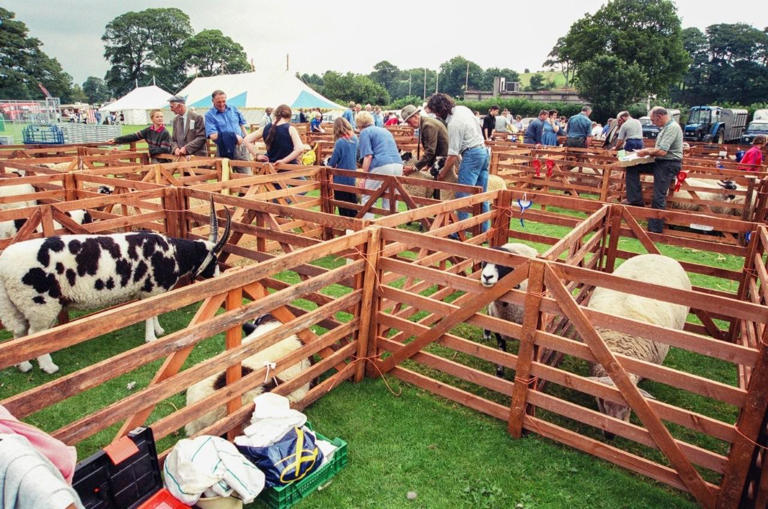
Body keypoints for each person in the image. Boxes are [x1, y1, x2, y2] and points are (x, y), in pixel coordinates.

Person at [426, 93, 489, 230]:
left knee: (462, 194)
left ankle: (458, 231)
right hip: (483, 151)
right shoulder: (463, 108)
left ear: (441, 109)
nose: (436, 115)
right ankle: (484, 230)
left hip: (472, 154)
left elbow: (453, 155)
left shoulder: (454, 124)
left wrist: (442, 173)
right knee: (482, 194)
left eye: (436, 111)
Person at [629, 107, 684, 233]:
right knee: (632, 168)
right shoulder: (666, 127)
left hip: (668, 163)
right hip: (661, 162)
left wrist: (646, 151)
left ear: (659, 116)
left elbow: (662, 151)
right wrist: (647, 152)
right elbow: (659, 149)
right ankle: (636, 200)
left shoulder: (672, 128)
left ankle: (655, 229)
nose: (653, 123)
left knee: (658, 196)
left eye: (654, 120)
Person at [356, 110, 403, 219]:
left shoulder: (365, 132)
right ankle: (389, 228)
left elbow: (368, 156)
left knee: (368, 196)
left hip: (381, 165)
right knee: (390, 197)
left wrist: (364, 177)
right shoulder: (385, 131)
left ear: (359, 123)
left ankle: (366, 228)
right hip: (397, 165)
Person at [400, 104, 448, 176]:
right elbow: (433, 148)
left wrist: (414, 168)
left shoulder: (428, 126)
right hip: (441, 158)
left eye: (409, 122)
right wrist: (428, 165)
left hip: (443, 159)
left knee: (439, 183)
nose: (409, 125)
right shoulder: (425, 123)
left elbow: (430, 151)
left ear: (415, 116)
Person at [327, 117, 359, 217]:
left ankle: (347, 229)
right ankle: (355, 227)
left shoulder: (340, 142)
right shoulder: (355, 139)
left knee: (343, 206)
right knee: (352, 204)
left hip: (340, 178)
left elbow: (333, 162)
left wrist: (327, 162)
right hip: (352, 176)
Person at [204, 90, 248, 161]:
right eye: (218, 102)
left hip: (240, 147)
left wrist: (247, 140)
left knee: (245, 171)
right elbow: (213, 136)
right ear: (213, 101)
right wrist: (234, 136)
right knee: (224, 171)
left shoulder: (233, 109)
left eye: (224, 101)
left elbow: (242, 125)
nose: (222, 104)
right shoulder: (209, 115)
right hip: (223, 148)